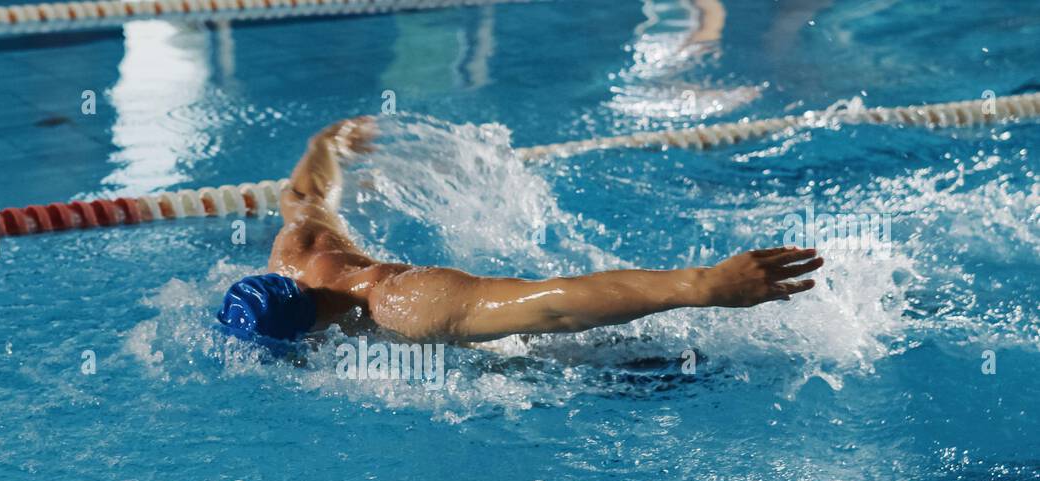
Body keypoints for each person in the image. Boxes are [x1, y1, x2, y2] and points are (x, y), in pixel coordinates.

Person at [216, 117, 822, 346]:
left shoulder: (405, 304)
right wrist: (326, 143)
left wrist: (700, 285)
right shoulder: (295, 252)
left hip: (569, 357)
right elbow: (303, 195)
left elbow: (553, 306)